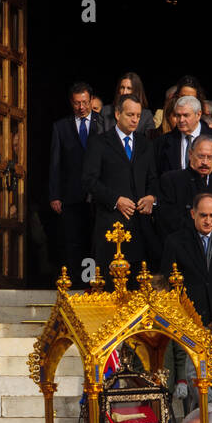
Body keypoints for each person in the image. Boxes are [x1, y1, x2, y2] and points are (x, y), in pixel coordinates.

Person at [82, 93, 159, 277]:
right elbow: (89, 180)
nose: (135, 120)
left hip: (140, 228)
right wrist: (115, 200)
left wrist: (151, 198)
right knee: (110, 285)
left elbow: (154, 179)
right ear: (118, 114)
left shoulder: (145, 144)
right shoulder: (99, 143)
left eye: (138, 116)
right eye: (130, 115)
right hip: (111, 225)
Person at [160, 193, 212, 327]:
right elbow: (166, 283)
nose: (208, 221)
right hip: (187, 319)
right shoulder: (175, 241)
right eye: (203, 215)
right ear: (193, 213)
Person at [49, 80, 100, 287]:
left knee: (94, 241)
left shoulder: (104, 122)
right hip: (71, 195)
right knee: (73, 241)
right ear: (72, 103)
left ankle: (93, 284)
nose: (82, 107)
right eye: (77, 103)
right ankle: (78, 285)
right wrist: (54, 194)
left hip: (98, 195)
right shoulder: (61, 127)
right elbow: (55, 163)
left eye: (85, 102)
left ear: (91, 100)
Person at [156, 136, 212, 244]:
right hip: (182, 247)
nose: (205, 162)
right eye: (201, 156)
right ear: (190, 155)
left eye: (209, 157)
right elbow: (168, 218)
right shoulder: (171, 181)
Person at [154, 95, 212, 183]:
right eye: (178, 115)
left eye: (186, 115)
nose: (181, 120)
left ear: (198, 115)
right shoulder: (162, 143)